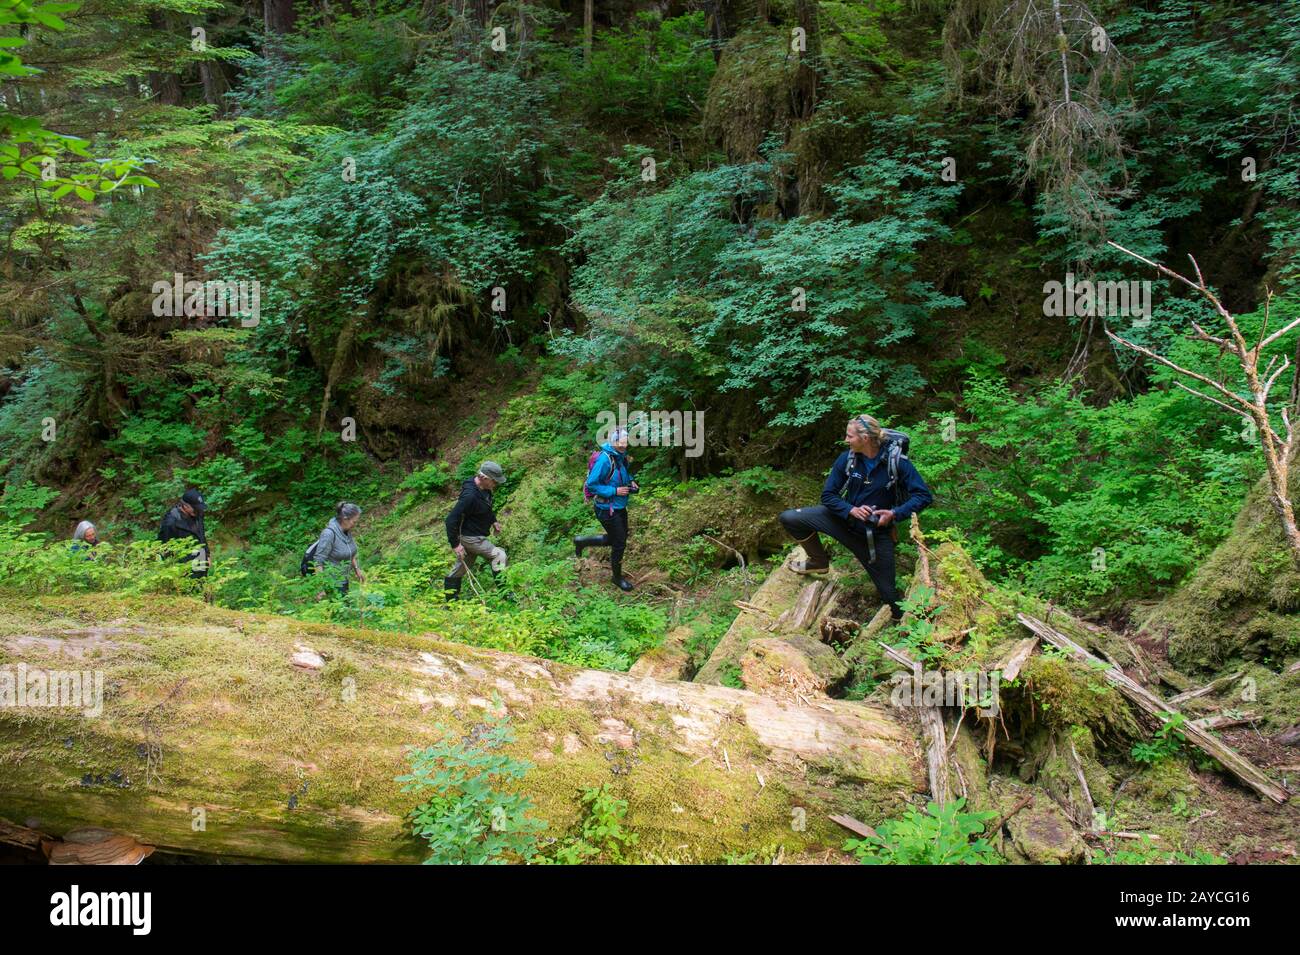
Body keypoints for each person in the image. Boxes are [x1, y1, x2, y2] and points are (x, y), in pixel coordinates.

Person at [779, 415, 932, 620]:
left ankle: (903, 631)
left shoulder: (897, 463)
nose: (846, 440)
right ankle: (818, 561)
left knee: (891, 599)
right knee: (790, 518)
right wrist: (850, 509)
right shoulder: (848, 458)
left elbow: (923, 496)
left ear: (865, 438)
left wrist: (894, 513)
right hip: (842, 521)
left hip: (874, 534)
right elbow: (828, 496)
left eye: (850, 436)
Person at [574, 428, 638, 592]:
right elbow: (591, 484)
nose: (624, 446)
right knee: (619, 543)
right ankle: (616, 578)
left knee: (617, 538)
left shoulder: (620, 456)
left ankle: (581, 541)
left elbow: (623, 473)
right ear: (613, 442)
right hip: (606, 508)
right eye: (621, 443)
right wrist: (614, 491)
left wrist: (631, 482)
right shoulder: (605, 460)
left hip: (619, 506)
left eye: (626, 442)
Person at [444, 461, 507, 599]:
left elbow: (486, 507)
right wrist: (455, 545)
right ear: (484, 478)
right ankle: (506, 593)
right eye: (494, 481)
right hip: (471, 538)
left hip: (473, 535)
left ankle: (451, 601)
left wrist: (493, 520)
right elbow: (450, 520)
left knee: (461, 568)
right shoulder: (470, 496)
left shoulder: (484, 489)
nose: (495, 485)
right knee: (499, 555)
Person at [310, 502, 365, 598]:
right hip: (331, 584)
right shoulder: (329, 534)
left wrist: (357, 569)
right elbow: (318, 561)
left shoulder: (346, 531)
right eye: (354, 522)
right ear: (345, 519)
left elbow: (350, 552)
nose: (355, 524)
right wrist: (321, 588)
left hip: (343, 580)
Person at [159, 488, 209, 578]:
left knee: (202, 587)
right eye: (195, 508)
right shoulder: (171, 523)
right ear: (185, 506)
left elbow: (201, 535)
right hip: (184, 568)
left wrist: (207, 554)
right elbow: (164, 548)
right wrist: (173, 571)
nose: (199, 510)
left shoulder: (197, 515)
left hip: (200, 561)